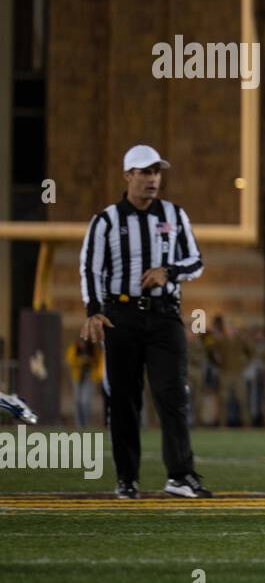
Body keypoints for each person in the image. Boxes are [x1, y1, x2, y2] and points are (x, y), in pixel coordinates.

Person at [78, 144, 212, 499]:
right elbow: (91, 267)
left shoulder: (174, 214)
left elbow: (196, 261)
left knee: (172, 394)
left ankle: (180, 475)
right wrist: (94, 310)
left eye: (156, 172)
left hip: (165, 315)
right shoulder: (106, 220)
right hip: (121, 316)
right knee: (123, 399)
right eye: (145, 172)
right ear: (128, 176)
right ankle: (127, 478)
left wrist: (167, 272)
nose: (153, 179)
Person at [65, 337, 102, 429]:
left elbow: (99, 363)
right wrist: (80, 361)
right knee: (77, 401)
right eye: (81, 342)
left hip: (89, 377)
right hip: (77, 377)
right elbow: (69, 360)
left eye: (84, 343)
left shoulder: (93, 350)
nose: (83, 345)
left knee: (85, 401)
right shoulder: (74, 349)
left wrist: (89, 361)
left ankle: (86, 424)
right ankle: (79, 425)